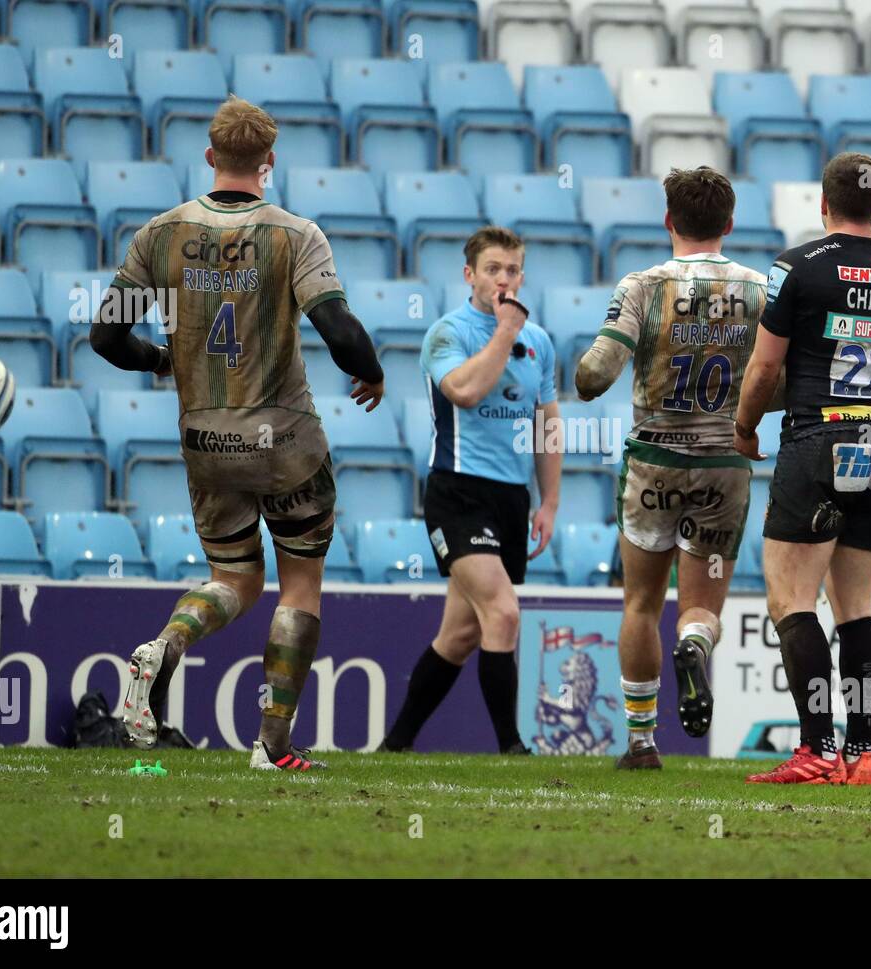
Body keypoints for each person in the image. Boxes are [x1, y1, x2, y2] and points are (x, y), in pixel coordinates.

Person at [91, 95, 384, 771]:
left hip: (205, 439)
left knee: (233, 575)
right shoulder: (293, 233)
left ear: (210, 156)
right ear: (270, 161)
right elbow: (339, 329)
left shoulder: (159, 234)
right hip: (283, 437)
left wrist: (160, 359)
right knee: (298, 586)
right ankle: (271, 746)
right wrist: (371, 373)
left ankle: (165, 643)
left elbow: (105, 335)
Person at [733, 152, 871, 786]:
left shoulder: (797, 269)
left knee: (792, 598)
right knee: (857, 606)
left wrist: (743, 427)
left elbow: (764, 369)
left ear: (824, 204)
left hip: (818, 438)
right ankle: (861, 753)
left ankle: (817, 748)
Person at [575, 166, 773, 770]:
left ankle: (640, 743)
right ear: (729, 224)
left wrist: (600, 368)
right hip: (725, 466)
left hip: (653, 465)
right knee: (702, 607)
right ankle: (693, 645)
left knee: (639, 600)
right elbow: (776, 381)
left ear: (669, 222)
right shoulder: (760, 290)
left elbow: (594, 375)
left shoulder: (643, 285)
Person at [379, 227, 561, 754]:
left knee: (459, 636)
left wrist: (549, 501)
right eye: (492, 270)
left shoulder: (541, 343)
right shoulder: (448, 333)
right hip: (457, 493)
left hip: (511, 499)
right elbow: (463, 391)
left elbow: (548, 425)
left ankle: (395, 746)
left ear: (522, 276)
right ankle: (512, 747)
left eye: (512, 270)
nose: (503, 279)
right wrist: (504, 332)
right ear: (470, 275)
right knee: (502, 614)